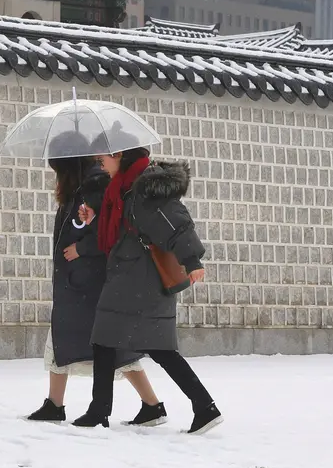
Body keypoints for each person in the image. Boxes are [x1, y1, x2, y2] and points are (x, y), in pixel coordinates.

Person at [71, 145, 223, 435]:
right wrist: (96, 216)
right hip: (129, 276)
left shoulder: (145, 188)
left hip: (142, 280)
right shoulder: (123, 188)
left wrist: (192, 260)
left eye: (102, 155)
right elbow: (126, 225)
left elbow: (175, 222)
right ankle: (201, 406)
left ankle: (202, 406)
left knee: (148, 346)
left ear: (119, 155)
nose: (98, 161)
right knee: (110, 341)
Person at [27, 134, 166, 426]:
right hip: (77, 282)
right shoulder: (82, 185)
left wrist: (81, 248)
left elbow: (107, 232)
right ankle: (56, 403)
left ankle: (149, 405)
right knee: (73, 341)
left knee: (107, 344)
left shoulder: (94, 186)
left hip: (88, 283)